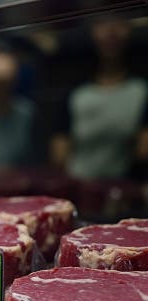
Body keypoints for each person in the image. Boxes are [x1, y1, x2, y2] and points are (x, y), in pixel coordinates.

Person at [52, 17, 148, 180]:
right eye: (102, 24)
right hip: (80, 185)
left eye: (119, 22)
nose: (111, 32)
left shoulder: (141, 89)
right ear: (92, 32)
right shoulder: (75, 92)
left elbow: (143, 151)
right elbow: (59, 154)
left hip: (125, 185)